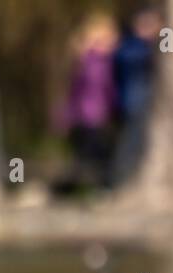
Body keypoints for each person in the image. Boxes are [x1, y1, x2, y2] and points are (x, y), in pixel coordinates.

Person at [55, 13, 120, 194]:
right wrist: (67, 115)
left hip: (96, 114)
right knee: (94, 154)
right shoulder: (91, 62)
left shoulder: (103, 61)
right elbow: (81, 92)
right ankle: (100, 188)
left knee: (87, 155)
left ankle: (68, 189)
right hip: (89, 115)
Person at [111, 7, 163, 186]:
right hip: (132, 103)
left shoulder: (144, 47)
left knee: (139, 142)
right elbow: (127, 59)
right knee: (130, 143)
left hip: (142, 102)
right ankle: (122, 179)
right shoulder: (130, 47)